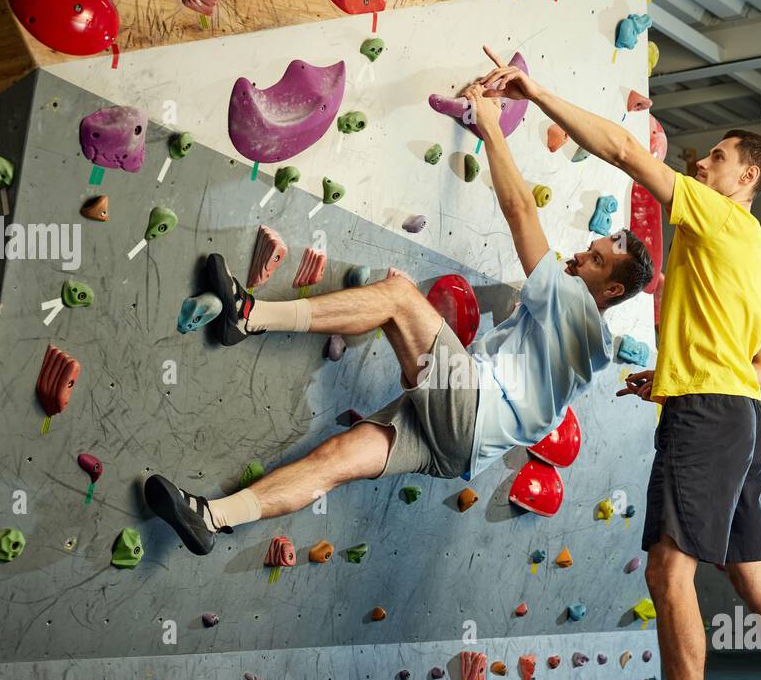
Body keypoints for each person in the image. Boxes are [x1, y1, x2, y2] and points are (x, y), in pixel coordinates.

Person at [478, 47, 761, 680]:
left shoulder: (720, 217)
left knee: (669, 571)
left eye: (718, 158)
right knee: (755, 576)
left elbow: (627, 149)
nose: (702, 164)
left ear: (746, 177)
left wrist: (535, 91)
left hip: (707, 418)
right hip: (740, 420)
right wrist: (670, 375)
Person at [145, 78, 653, 557]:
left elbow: (521, 210)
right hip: (462, 453)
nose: (581, 256)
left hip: (472, 410)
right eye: (591, 247)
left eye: (596, 260)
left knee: (399, 299)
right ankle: (209, 518)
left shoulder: (577, 309)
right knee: (338, 459)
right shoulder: (585, 345)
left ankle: (247, 313)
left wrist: (490, 121)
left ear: (608, 290)